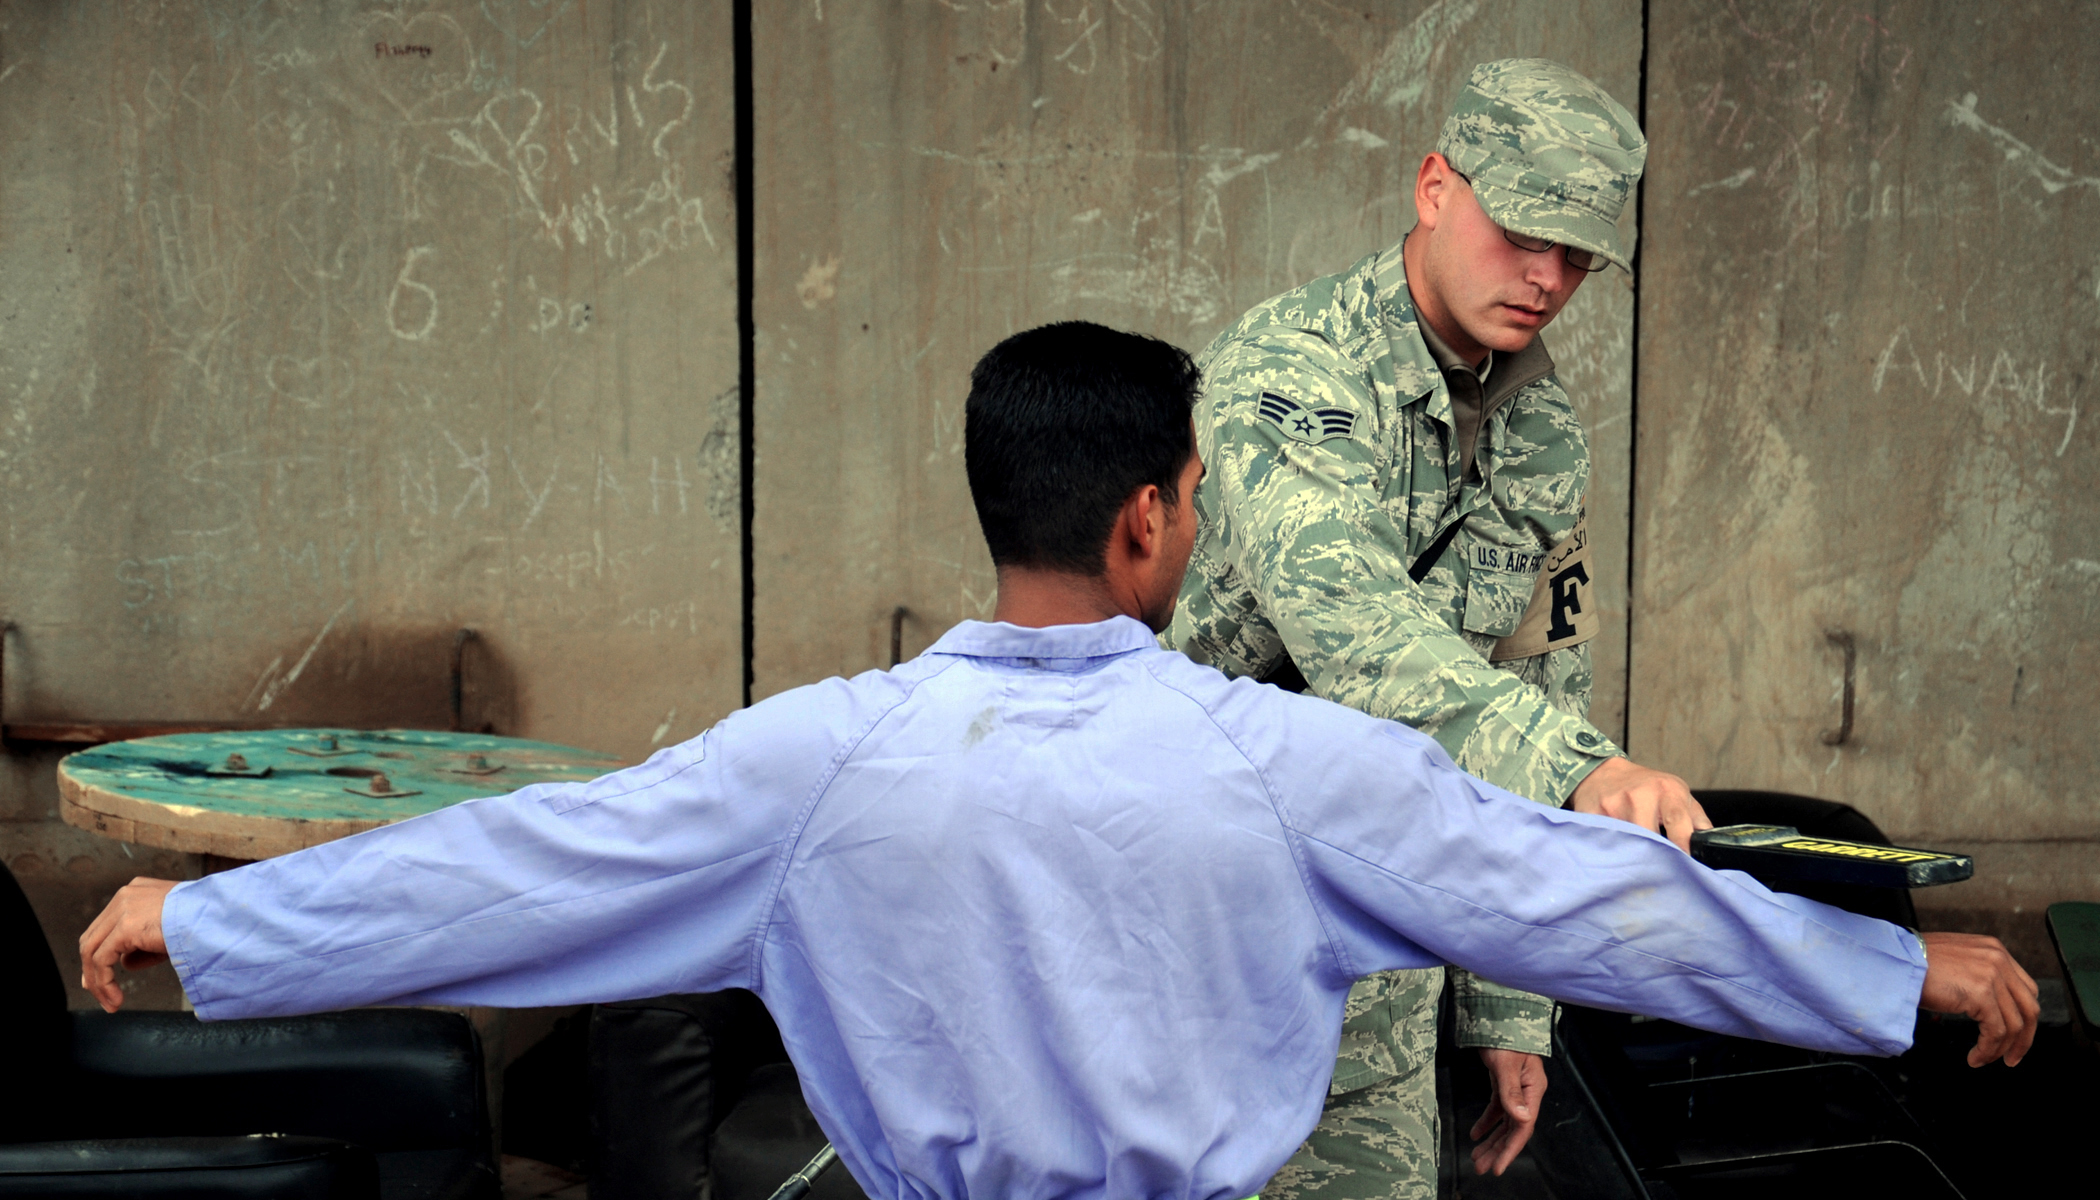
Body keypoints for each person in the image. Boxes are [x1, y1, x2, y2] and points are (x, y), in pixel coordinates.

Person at [81, 323, 2036, 1200]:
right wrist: (1889, 968)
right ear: (1158, 525)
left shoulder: (815, 761)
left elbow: (526, 869)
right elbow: (1580, 896)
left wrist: (218, 928)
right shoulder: (1292, 766)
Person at [1169, 59, 1702, 1195]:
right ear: (1432, 188)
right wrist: (1584, 772)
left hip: (1385, 982)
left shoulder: (1542, 424)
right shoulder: (1291, 372)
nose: (1547, 278)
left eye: (1579, 258)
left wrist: (1515, 992)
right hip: (1213, 952)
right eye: (1523, 233)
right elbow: (1356, 628)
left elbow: (1548, 672)